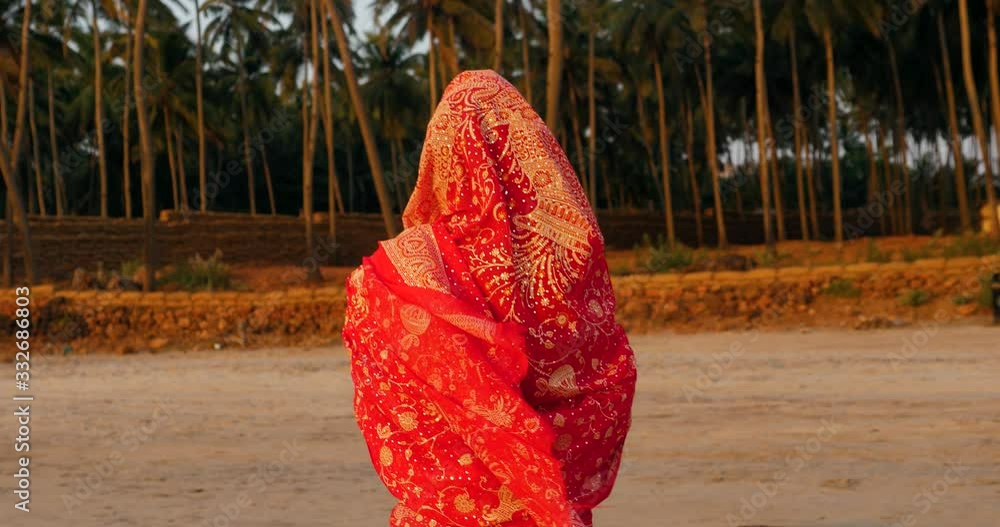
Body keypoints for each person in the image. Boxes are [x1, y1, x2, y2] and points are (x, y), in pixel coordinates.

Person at [343, 70, 637, 527]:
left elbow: (393, 416)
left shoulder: (396, 277)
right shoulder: (570, 269)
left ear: (440, 153)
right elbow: (607, 385)